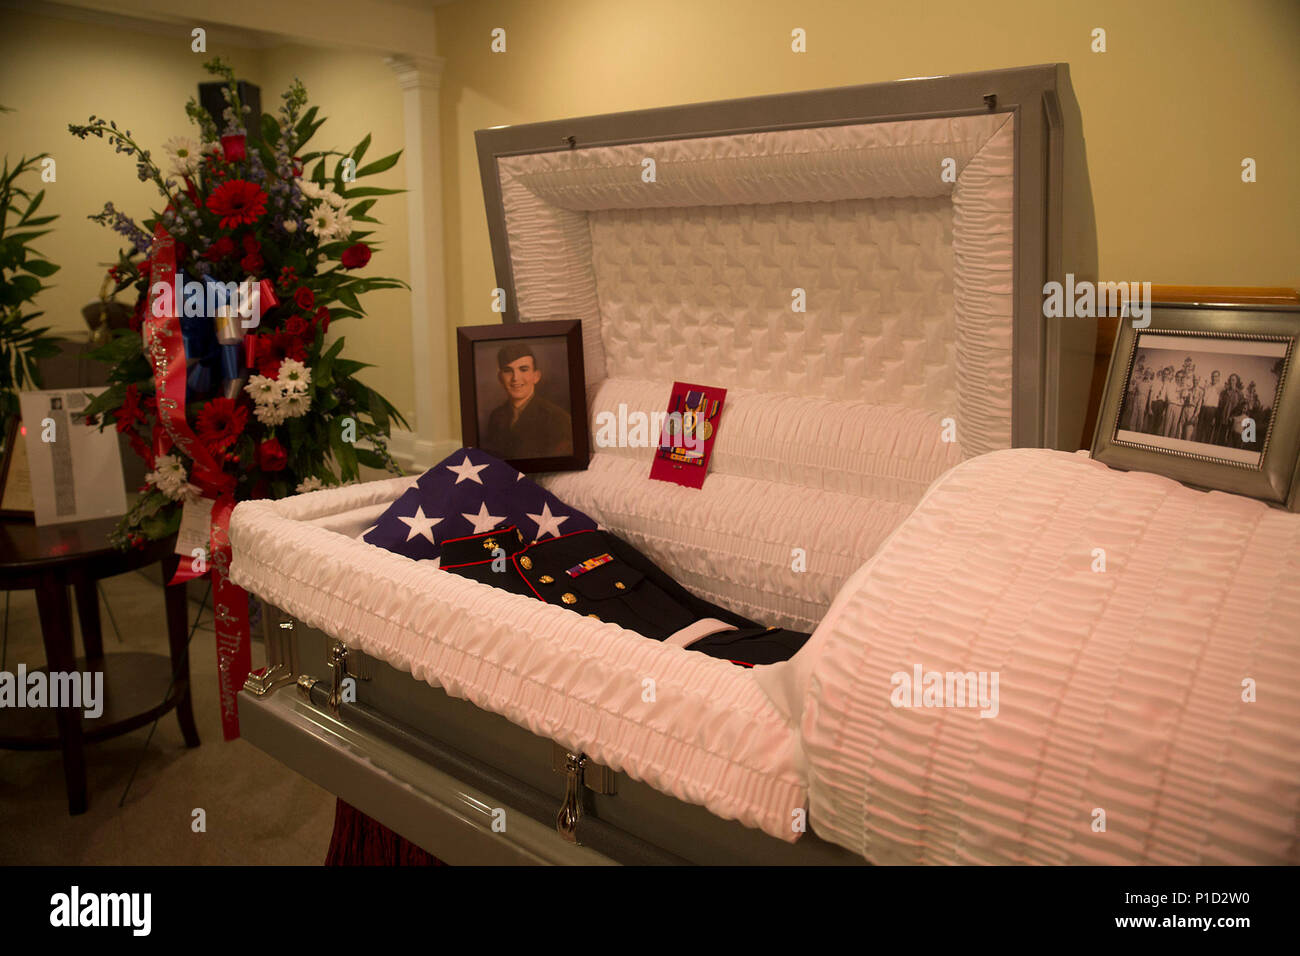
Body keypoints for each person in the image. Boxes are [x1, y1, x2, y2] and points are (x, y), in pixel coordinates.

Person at [480, 342, 573, 459]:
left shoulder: (558, 419)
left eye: (523, 369)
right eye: (508, 371)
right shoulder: (496, 416)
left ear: (536, 376)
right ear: (500, 378)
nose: (515, 378)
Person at [1197, 370, 1222, 443]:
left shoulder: (1220, 389)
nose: (1214, 378)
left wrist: (1215, 417)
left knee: (1207, 432)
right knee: (1199, 430)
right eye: (1213, 376)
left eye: (1216, 376)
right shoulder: (1207, 386)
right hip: (1203, 409)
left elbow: (1220, 405)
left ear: (1219, 378)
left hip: (1212, 411)